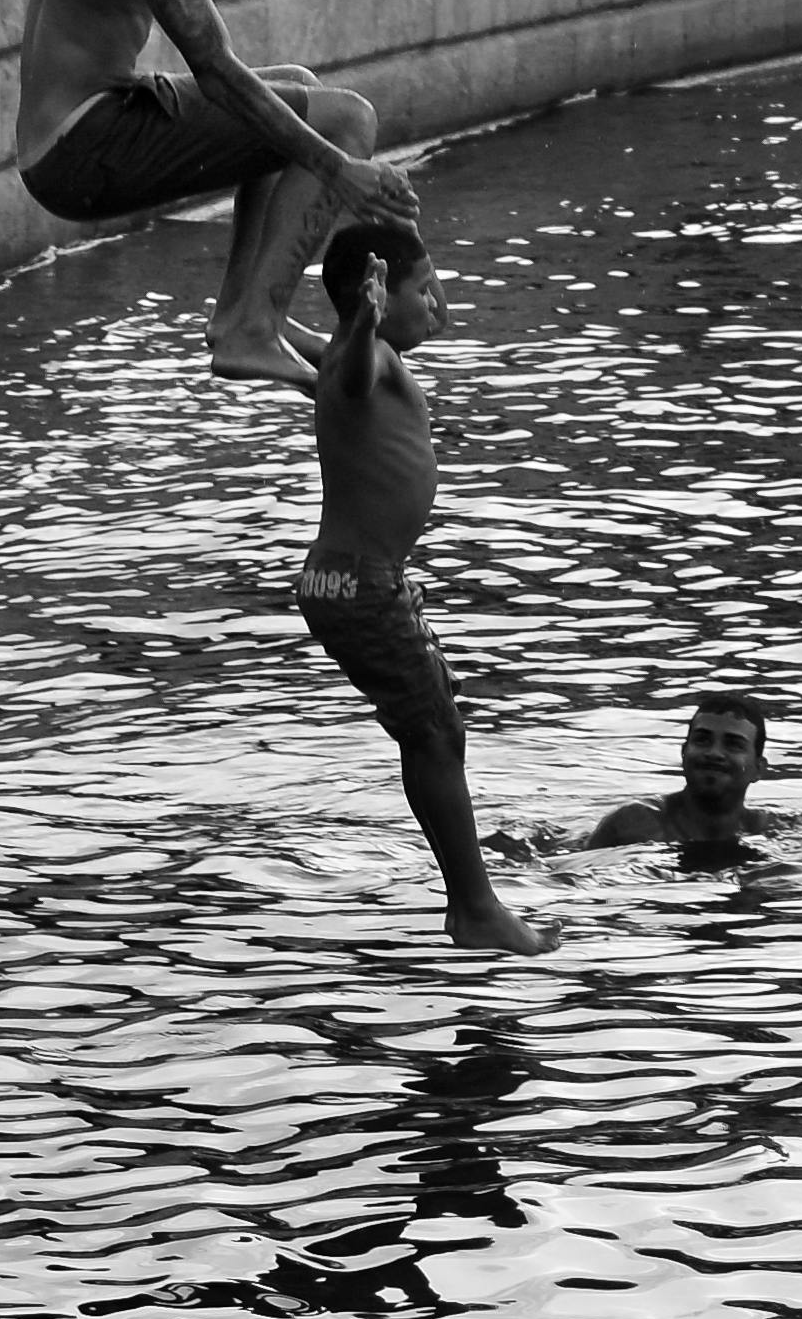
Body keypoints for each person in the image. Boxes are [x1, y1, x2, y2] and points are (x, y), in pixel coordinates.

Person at [10, 0, 469, 386]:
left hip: (79, 126)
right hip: (80, 150)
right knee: (346, 120)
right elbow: (219, 71)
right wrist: (342, 170)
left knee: (300, 89)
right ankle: (252, 333)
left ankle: (247, 318)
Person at [300, 219, 560, 957]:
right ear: (376, 300)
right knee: (436, 735)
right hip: (360, 584)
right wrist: (363, 321)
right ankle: (474, 909)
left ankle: (472, 898)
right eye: (424, 289)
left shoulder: (361, 356)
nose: (439, 303)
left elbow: (322, 362)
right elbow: (351, 371)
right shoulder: (369, 356)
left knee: (438, 731)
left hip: (352, 580)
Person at [583, 693, 775, 853]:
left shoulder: (769, 830)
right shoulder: (634, 825)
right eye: (702, 740)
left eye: (733, 744)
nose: (714, 753)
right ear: (683, 753)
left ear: (758, 769)